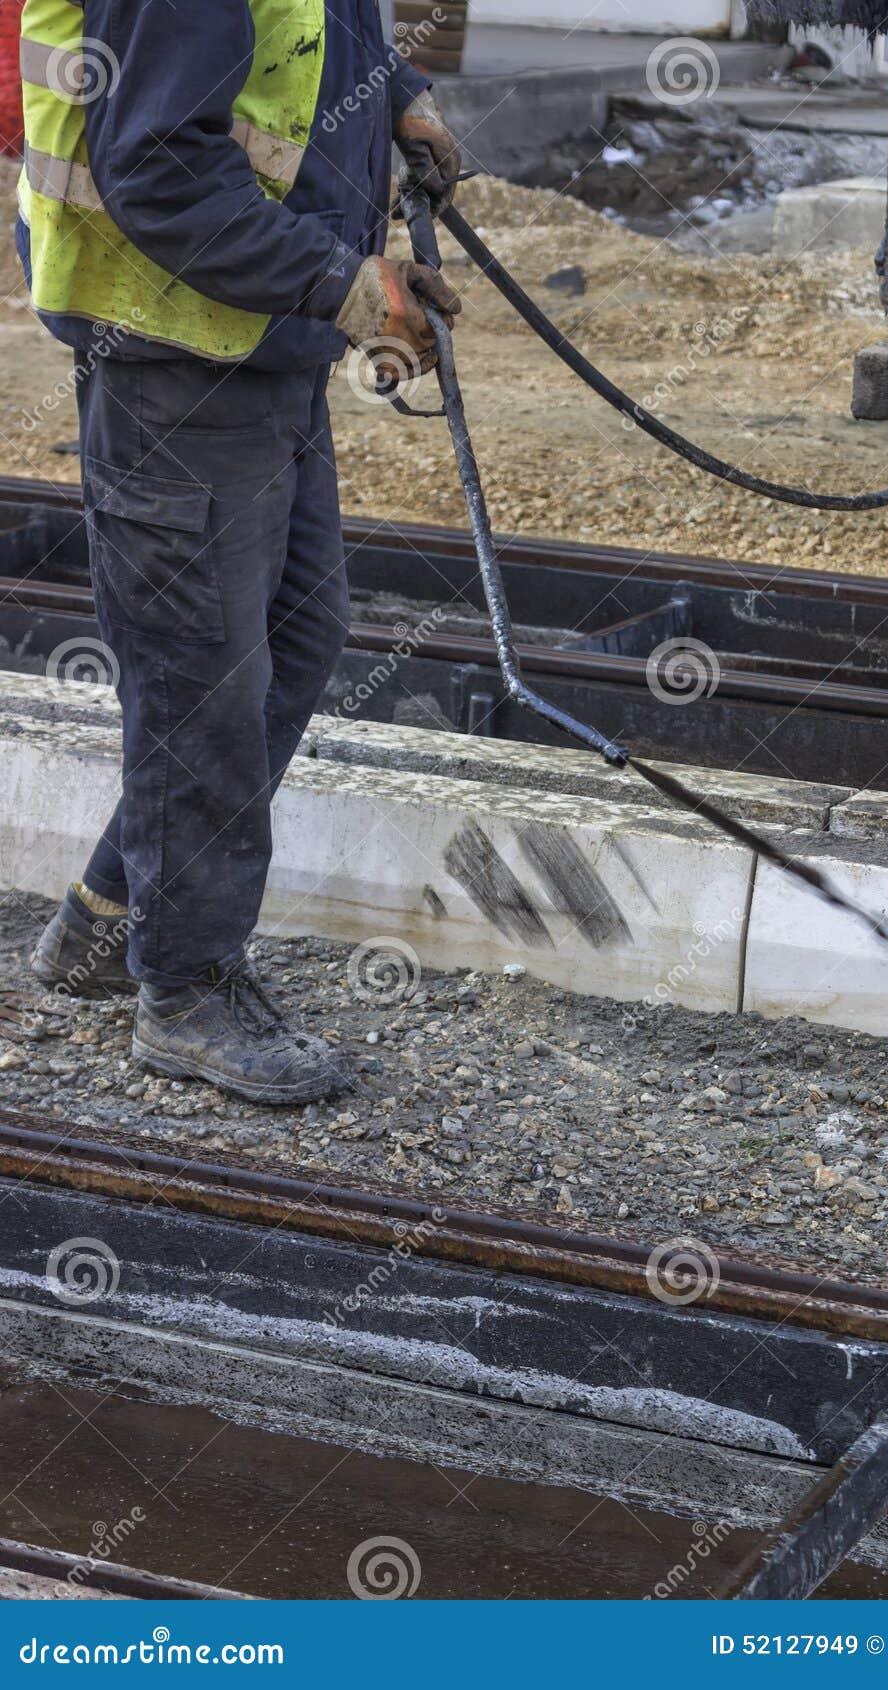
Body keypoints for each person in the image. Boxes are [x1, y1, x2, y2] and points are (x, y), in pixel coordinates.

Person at [19, 0, 462, 1103]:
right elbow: (160, 168)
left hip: (261, 342)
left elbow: (313, 38)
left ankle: (105, 920)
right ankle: (185, 990)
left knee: (291, 645)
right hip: (175, 350)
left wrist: (396, 100)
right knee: (202, 685)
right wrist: (350, 287)